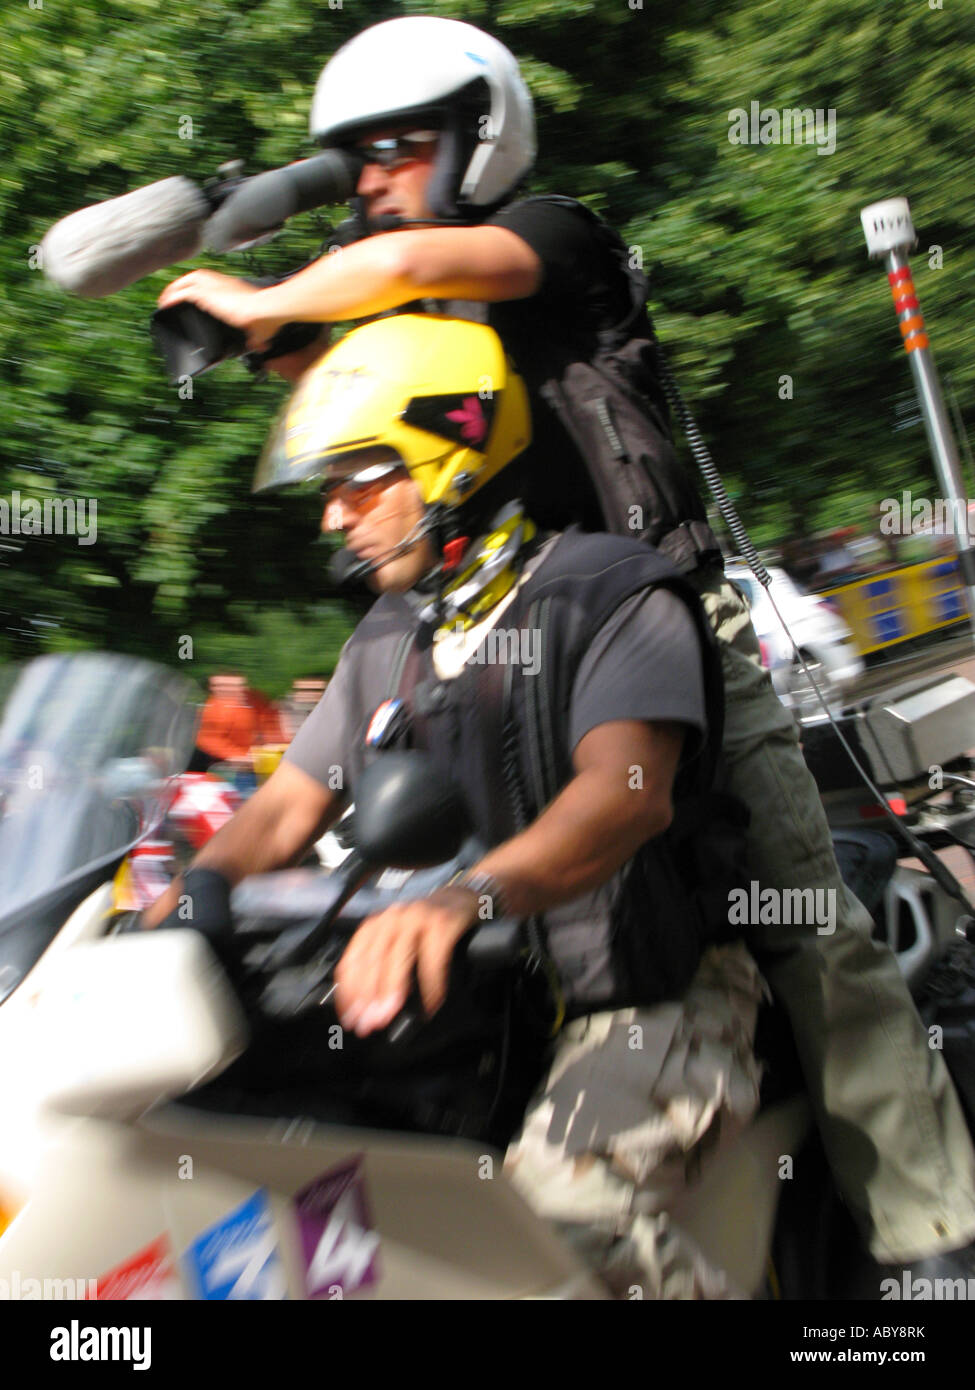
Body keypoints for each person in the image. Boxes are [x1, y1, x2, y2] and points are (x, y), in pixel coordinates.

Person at [158, 15, 975, 1269]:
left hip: (662, 633)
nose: (372, 178)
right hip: (484, 645)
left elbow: (386, 275)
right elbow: (336, 393)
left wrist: (264, 290)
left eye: (396, 148)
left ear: (480, 141)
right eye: (350, 158)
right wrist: (242, 318)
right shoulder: (403, 313)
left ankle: (935, 1233)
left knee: (805, 922)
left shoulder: (549, 237)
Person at [146, 314, 765, 1297]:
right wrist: (191, 894)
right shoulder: (391, 637)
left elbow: (625, 799)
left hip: (653, 994)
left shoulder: (609, 594)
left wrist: (460, 898)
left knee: (557, 1232)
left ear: (447, 462)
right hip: (496, 1004)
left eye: (356, 480)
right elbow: (283, 811)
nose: (331, 516)